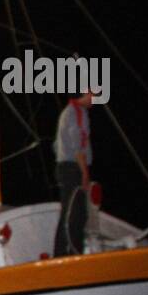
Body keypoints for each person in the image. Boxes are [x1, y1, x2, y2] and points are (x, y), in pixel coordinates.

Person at [53, 87, 94, 256]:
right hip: (72, 168)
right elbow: (78, 145)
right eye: (92, 94)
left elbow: (57, 145)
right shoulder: (75, 113)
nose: (94, 98)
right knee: (73, 214)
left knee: (76, 213)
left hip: (68, 167)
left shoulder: (74, 112)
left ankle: (71, 250)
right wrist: (84, 173)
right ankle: (65, 253)